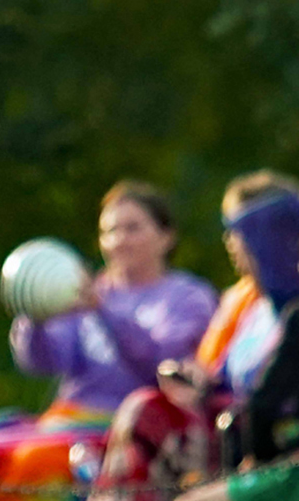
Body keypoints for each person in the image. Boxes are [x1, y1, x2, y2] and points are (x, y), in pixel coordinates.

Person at [0, 181, 218, 501]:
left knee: (28, 465)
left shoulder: (188, 296)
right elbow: (43, 363)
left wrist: (103, 310)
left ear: (166, 236)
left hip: (126, 433)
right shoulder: (84, 292)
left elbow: (160, 362)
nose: (119, 240)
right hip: (67, 421)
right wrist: (36, 318)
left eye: (132, 228)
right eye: (110, 231)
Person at [89, 172, 299, 499]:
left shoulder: (290, 309)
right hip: (234, 443)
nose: (230, 242)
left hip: (278, 459)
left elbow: (270, 402)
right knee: (146, 410)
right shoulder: (250, 307)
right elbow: (224, 380)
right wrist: (198, 382)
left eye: (239, 231)